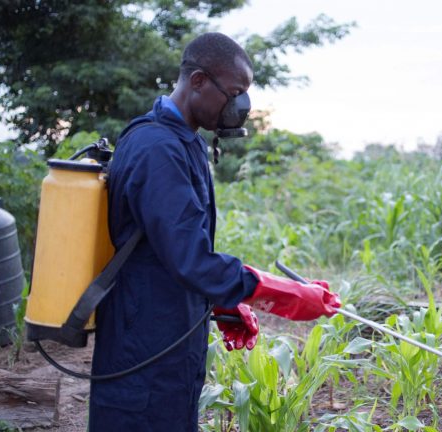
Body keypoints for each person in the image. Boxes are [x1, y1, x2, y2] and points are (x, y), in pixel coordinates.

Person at [88, 32, 341, 431]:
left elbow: (167, 249)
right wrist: (285, 295)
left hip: (171, 336)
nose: (240, 106)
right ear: (199, 81)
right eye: (235, 93)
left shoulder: (185, 141)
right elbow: (190, 259)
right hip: (143, 347)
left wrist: (223, 304)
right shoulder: (157, 148)